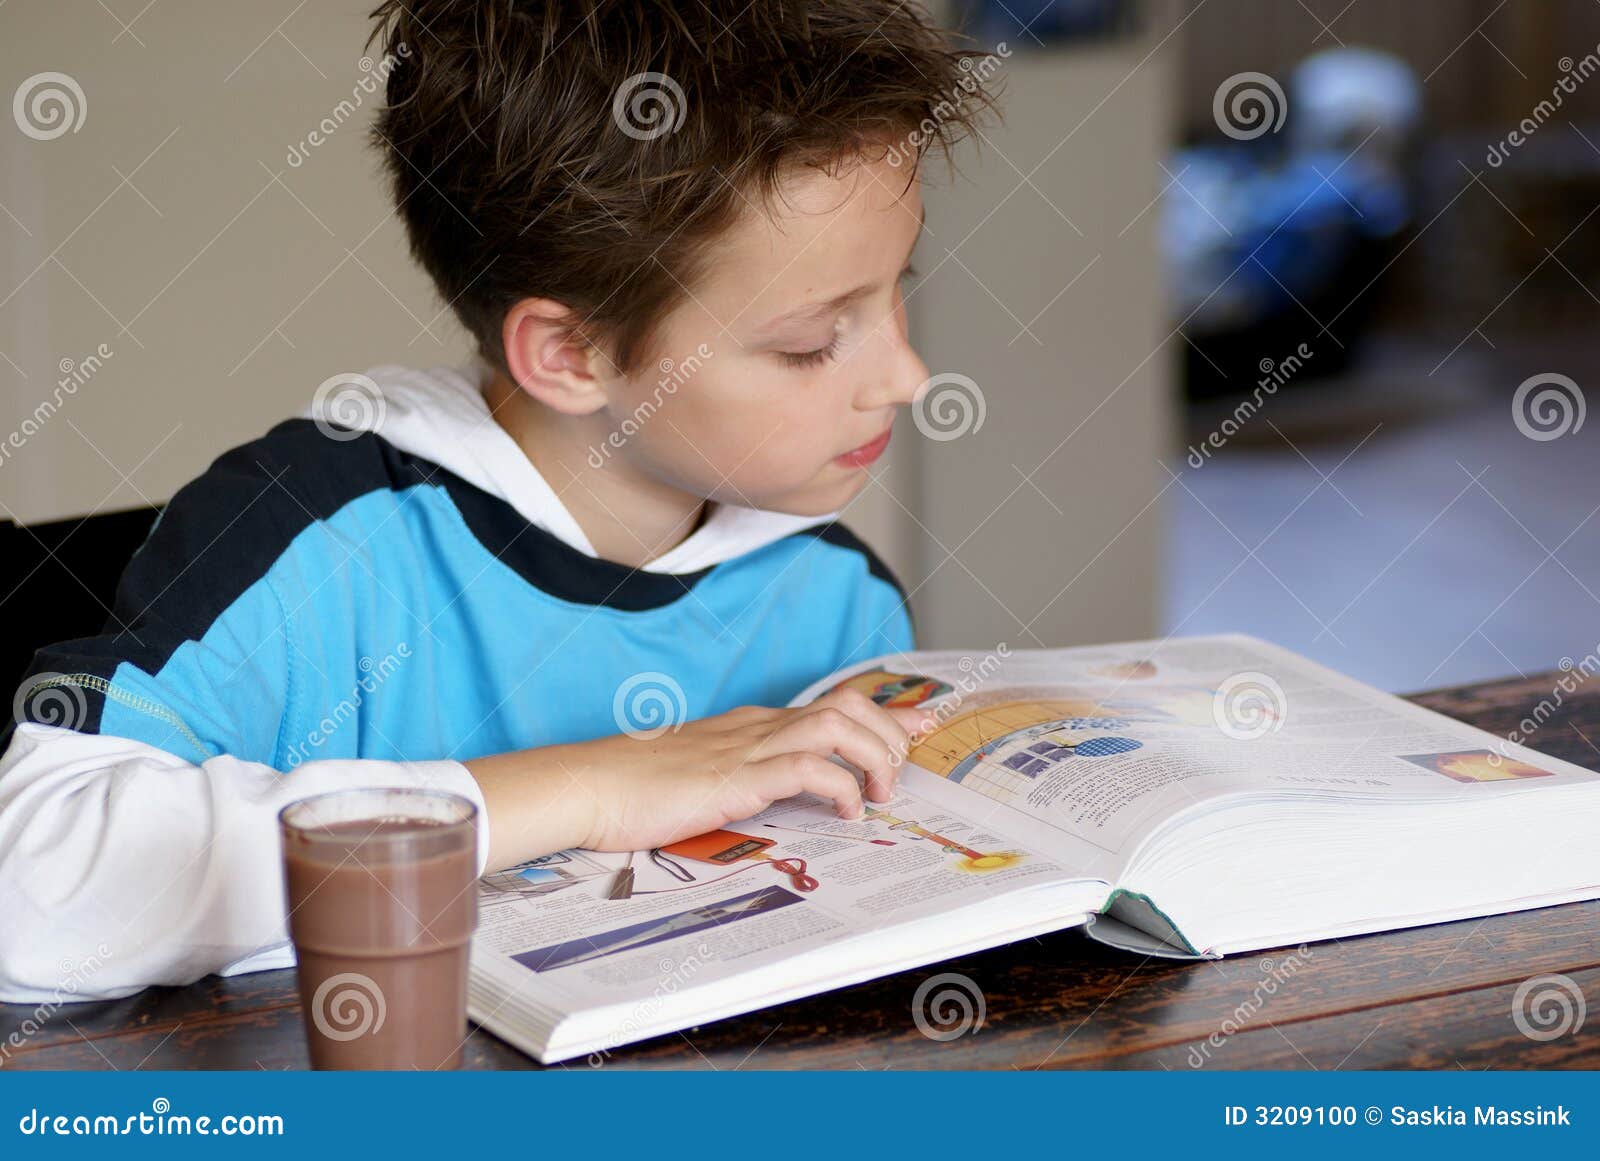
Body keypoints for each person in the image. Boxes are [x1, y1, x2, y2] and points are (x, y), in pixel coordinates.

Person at [0, 0, 998, 1000]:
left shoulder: (835, 593)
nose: (907, 376)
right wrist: (598, 784)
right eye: (810, 342)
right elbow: (32, 894)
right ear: (570, 355)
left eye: (892, 291)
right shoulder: (304, 539)